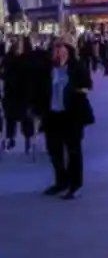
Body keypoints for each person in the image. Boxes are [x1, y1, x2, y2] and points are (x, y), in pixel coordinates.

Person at [37, 41, 93, 200]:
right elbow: (41, 88)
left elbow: (87, 85)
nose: (58, 53)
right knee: (54, 149)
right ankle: (61, 181)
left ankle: (75, 185)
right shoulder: (48, 68)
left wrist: (76, 89)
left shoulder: (76, 67)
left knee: (73, 150)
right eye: (56, 50)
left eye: (61, 49)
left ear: (68, 51)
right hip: (53, 114)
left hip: (72, 114)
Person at [2, 39, 35, 155]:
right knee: (15, 118)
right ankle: (13, 138)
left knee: (21, 118)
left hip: (19, 93)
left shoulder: (12, 59)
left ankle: (24, 140)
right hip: (15, 93)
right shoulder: (12, 59)